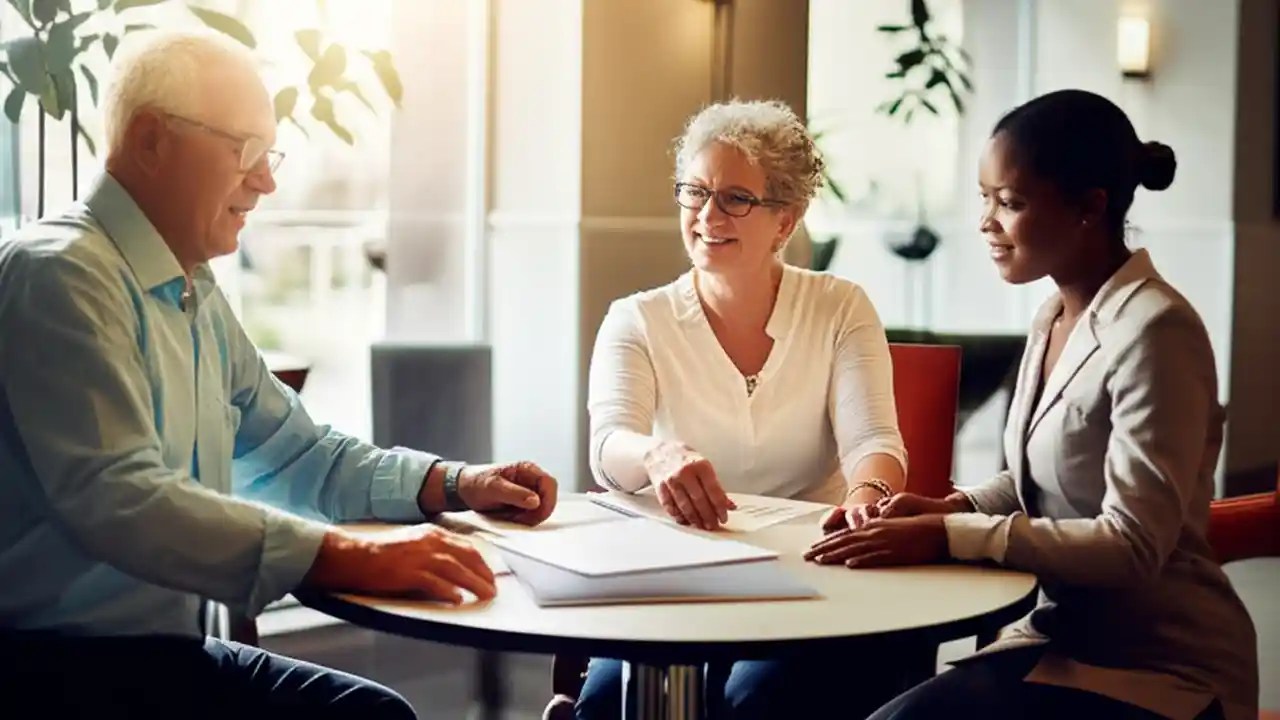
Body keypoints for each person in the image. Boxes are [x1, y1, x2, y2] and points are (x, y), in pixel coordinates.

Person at [0, 30, 558, 720]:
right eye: (247, 151)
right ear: (150, 140)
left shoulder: (192, 290)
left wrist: (453, 483)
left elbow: (300, 452)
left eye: (271, 155)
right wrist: (344, 555)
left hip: (165, 657)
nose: (266, 180)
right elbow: (120, 496)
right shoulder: (60, 275)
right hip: (57, 670)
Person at [806, 89, 1258, 720]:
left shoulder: (1159, 331)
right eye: (985, 200)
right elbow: (1034, 481)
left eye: (1011, 203)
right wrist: (950, 506)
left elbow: (1132, 546)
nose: (987, 222)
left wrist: (949, 535)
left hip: (1161, 666)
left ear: (1089, 209)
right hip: (1064, 638)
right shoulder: (1053, 316)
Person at [573, 99, 908, 719]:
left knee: (758, 698)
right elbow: (609, 447)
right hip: (676, 570)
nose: (706, 216)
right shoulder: (637, 318)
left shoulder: (841, 307)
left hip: (811, 570)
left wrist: (867, 500)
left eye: (735, 198)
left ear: (786, 221)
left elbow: (874, 446)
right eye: (694, 192)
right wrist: (657, 453)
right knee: (605, 705)